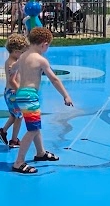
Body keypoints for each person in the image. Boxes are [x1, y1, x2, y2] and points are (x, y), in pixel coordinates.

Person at [9, 26, 73, 173]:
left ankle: (40, 153)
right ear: (44, 44)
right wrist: (65, 95)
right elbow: (54, 79)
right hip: (30, 96)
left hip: (22, 95)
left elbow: (12, 68)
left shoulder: (23, 56)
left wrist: (12, 79)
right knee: (33, 129)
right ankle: (18, 162)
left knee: (35, 126)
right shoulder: (41, 60)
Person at [0, 33, 28, 147]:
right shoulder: (12, 64)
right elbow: (12, 80)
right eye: (22, 52)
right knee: (19, 117)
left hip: (9, 92)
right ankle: (14, 140)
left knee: (14, 115)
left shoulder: (11, 61)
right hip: (13, 93)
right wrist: (20, 90)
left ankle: (3, 131)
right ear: (15, 51)